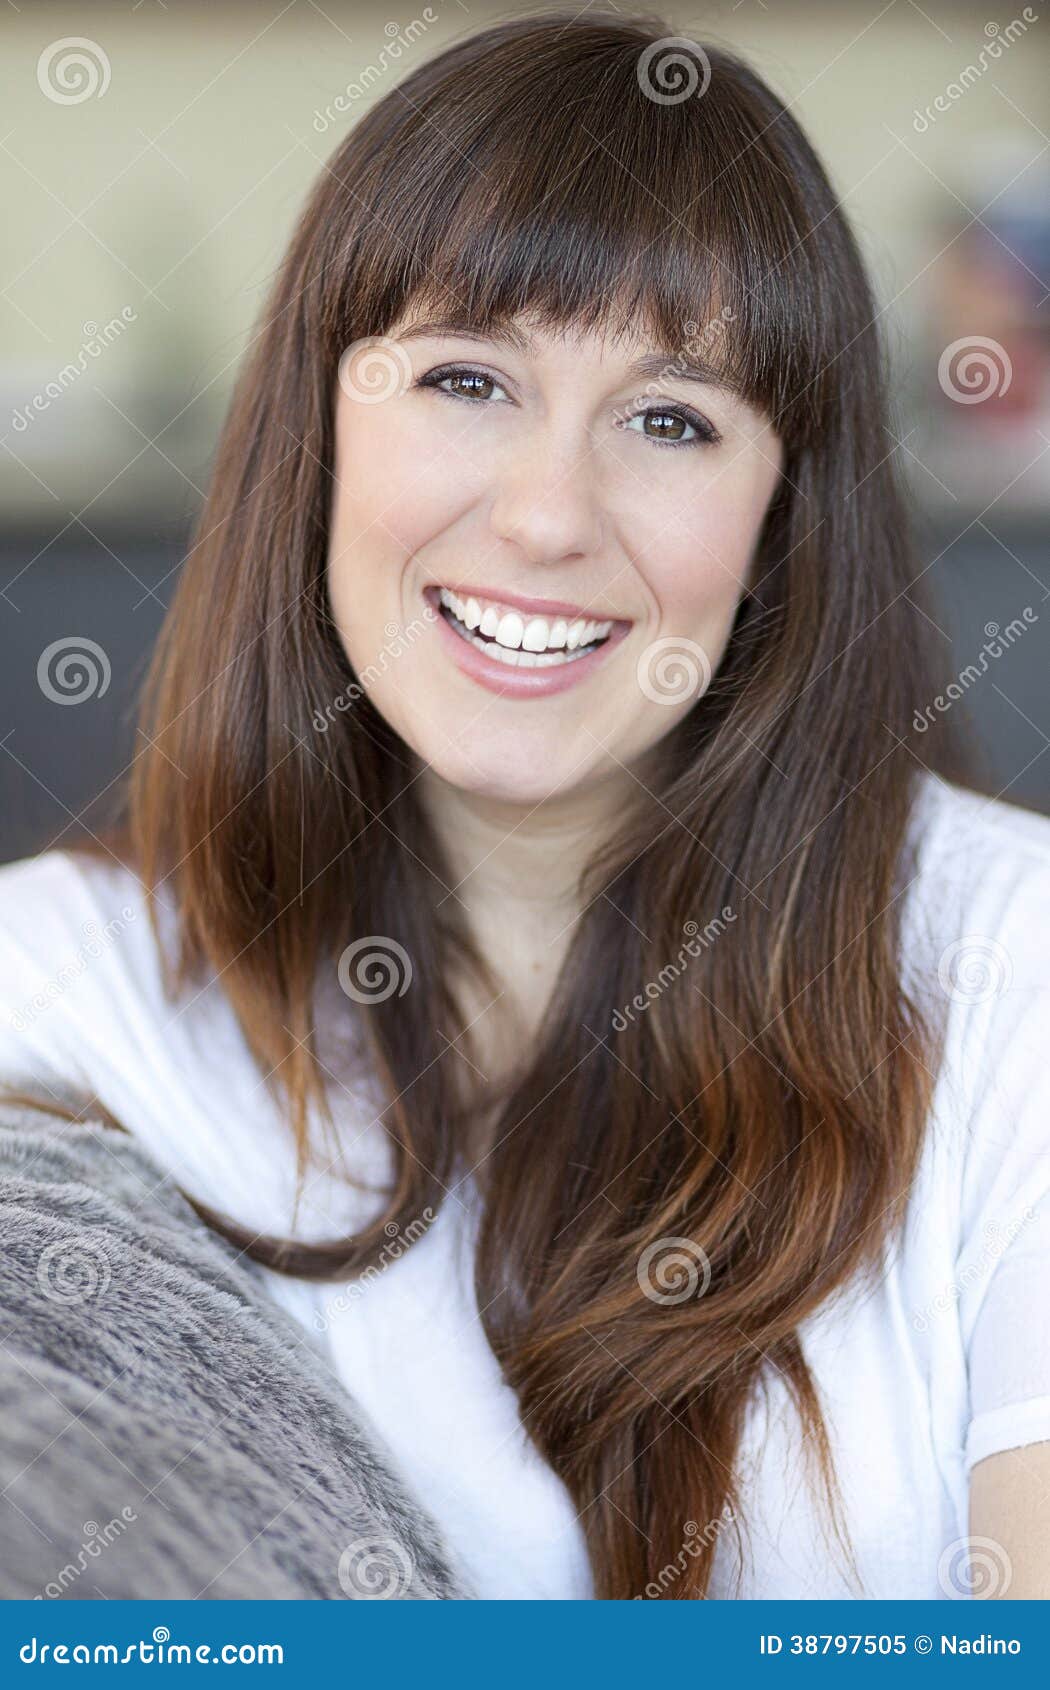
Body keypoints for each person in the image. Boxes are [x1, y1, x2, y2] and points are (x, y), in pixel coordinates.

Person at [2, 8, 1049, 1602]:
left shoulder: (1011, 969)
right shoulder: (60, 990)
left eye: (670, 418)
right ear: (315, 434)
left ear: (783, 520)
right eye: (466, 378)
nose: (548, 514)